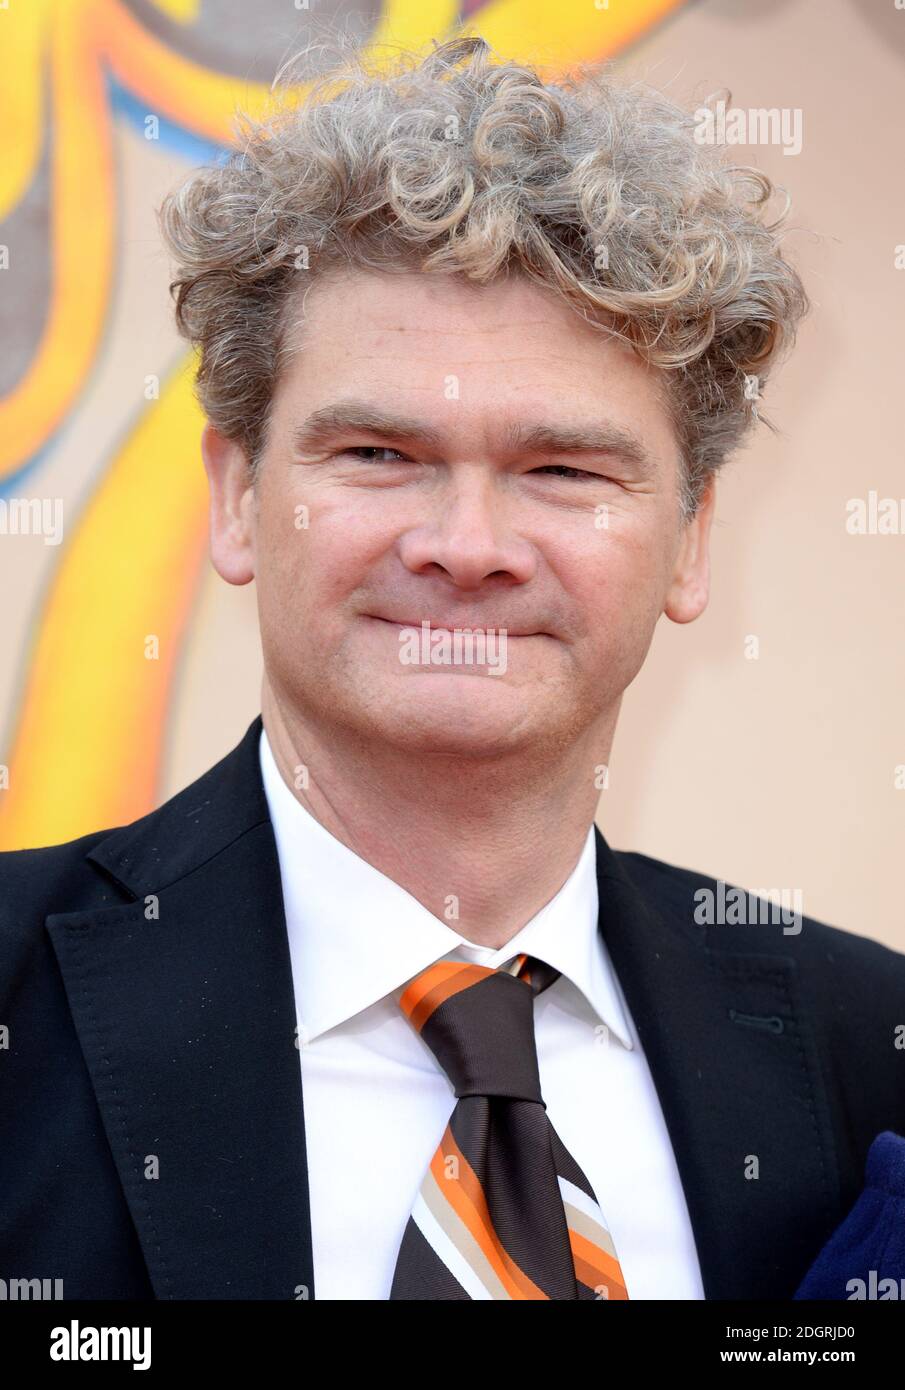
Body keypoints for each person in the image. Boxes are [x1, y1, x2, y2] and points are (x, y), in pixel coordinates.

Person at [1, 35, 903, 1302]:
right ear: (238, 499)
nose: (466, 548)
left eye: (562, 471)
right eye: (376, 453)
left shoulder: (869, 1044)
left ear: (691, 539)